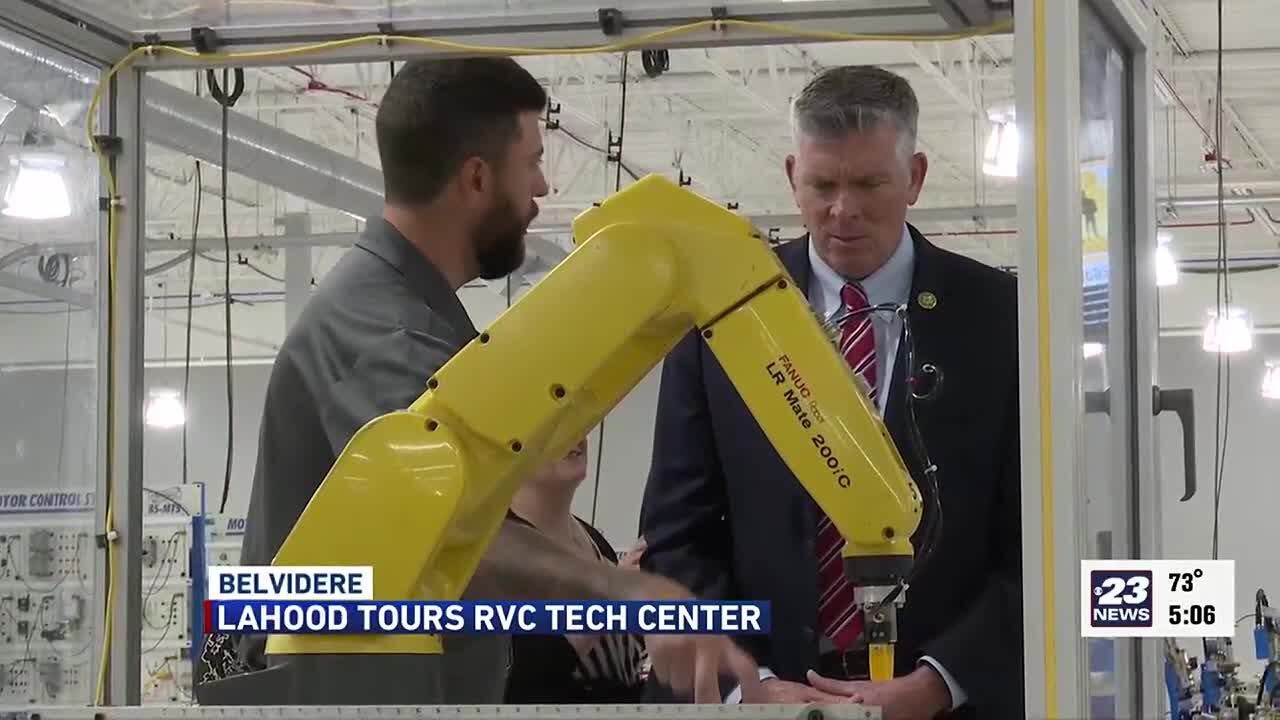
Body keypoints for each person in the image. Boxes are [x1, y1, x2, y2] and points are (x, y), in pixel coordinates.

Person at [225, 56, 761, 707]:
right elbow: (448, 531)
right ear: (477, 177)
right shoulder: (386, 333)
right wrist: (630, 592)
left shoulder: (415, 315)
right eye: (533, 160)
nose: (542, 186)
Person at [638, 65, 1023, 719]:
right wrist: (748, 682)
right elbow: (678, 534)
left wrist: (937, 682)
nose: (843, 210)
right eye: (822, 185)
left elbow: (1031, 540)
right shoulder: (722, 317)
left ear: (917, 177)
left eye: (869, 184)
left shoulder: (1000, 317)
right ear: (792, 175)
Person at [505, 437, 649, 703]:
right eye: (554, 423)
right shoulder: (492, 554)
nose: (574, 433)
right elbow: (516, 685)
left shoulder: (595, 542)